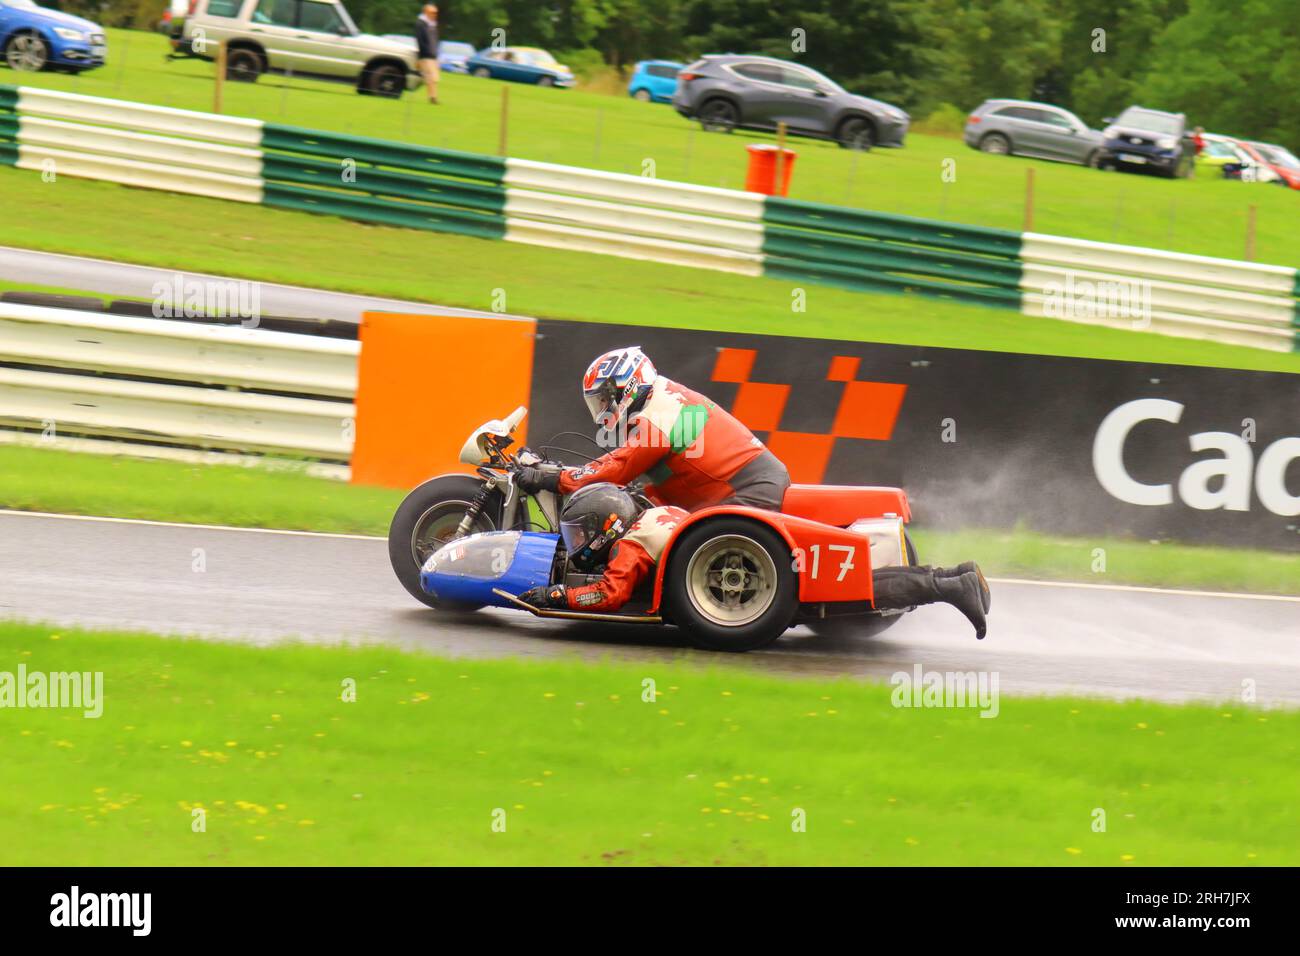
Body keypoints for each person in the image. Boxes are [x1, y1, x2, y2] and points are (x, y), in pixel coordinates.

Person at [519, 483, 991, 638]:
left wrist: (555, 594)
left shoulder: (630, 547)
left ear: (606, 526)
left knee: (841, 597)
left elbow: (610, 593)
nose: (579, 541)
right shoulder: (651, 514)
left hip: (753, 578)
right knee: (850, 587)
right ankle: (954, 576)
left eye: (582, 533)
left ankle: (949, 587)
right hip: (747, 553)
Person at [514, 347, 791, 512]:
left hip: (749, 490)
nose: (601, 409)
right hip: (739, 487)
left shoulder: (663, 408)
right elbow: (664, 475)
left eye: (603, 399)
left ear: (626, 387)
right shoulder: (660, 397)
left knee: (674, 548)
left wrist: (553, 479)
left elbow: (618, 467)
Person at [414, 4, 440, 104]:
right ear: (426, 12)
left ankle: (432, 97)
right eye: (433, 12)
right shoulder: (420, 24)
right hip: (426, 55)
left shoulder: (432, 24)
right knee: (432, 77)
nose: (435, 14)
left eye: (436, 13)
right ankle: (433, 98)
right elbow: (420, 40)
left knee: (433, 78)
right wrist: (426, 52)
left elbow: (435, 40)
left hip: (433, 55)